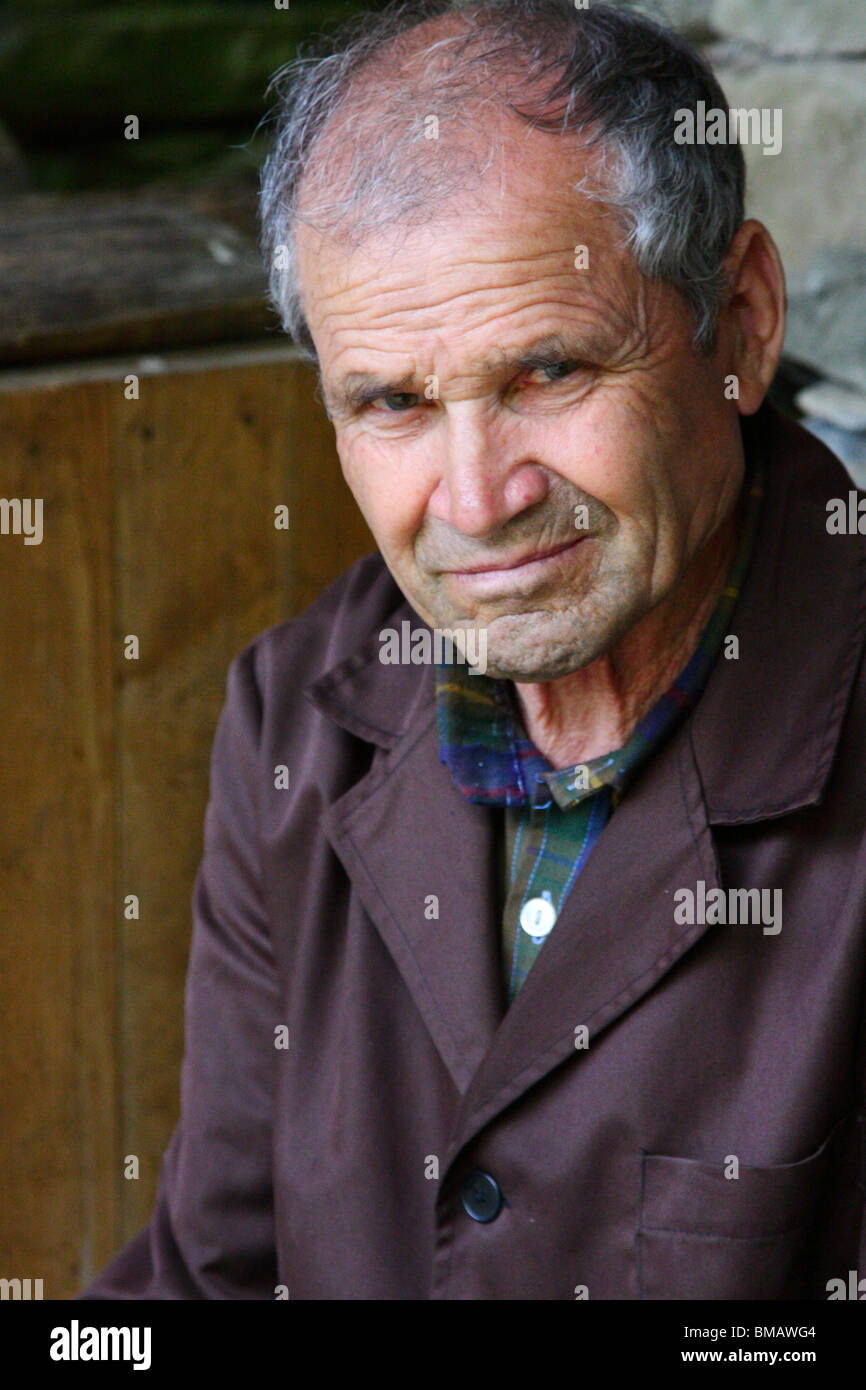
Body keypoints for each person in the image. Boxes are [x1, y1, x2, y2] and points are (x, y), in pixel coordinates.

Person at [83, 0, 866, 1300]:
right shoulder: (301, 716)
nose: (473, 498)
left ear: (737, 321)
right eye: (389, 402)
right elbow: (208, 1281)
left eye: (547, 373)